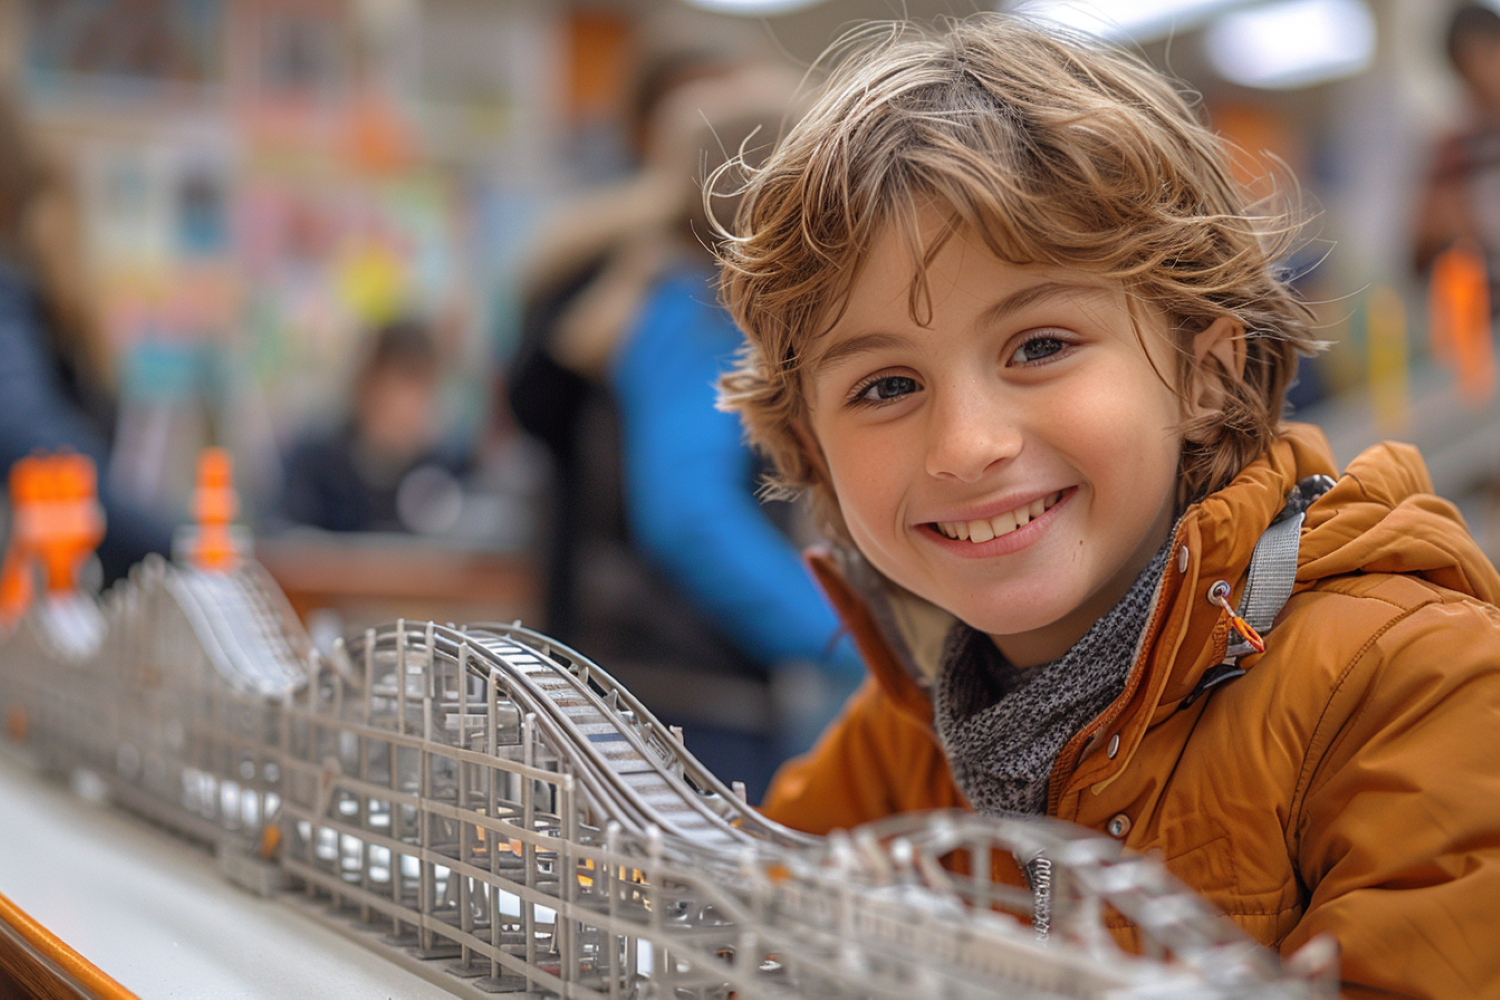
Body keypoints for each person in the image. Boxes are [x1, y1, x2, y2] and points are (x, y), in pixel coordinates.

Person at [714, 16, 1500, 997]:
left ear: (1203, 373)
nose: (966, 445)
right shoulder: (912, 728)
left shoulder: (1411, 685)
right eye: (884, 386)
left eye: (1039, 345)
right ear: (813, 456)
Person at [0, 92, 175, 584]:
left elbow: (47, 454)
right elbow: (46, 451)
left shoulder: (20, 298)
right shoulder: (38, 298)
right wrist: (184, 544)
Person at [279, 318, 468, 533]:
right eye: (397, 388)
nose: (408, 408)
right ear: (367, 385)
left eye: (421, 390)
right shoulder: (317, 467)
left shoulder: (447, 471)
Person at [1413, 2, 1500, 305]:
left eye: (1488, 56)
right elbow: (1417, 258)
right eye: (1467, 66)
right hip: (1484, 316)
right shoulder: (1453, 154)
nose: (1482, 75)